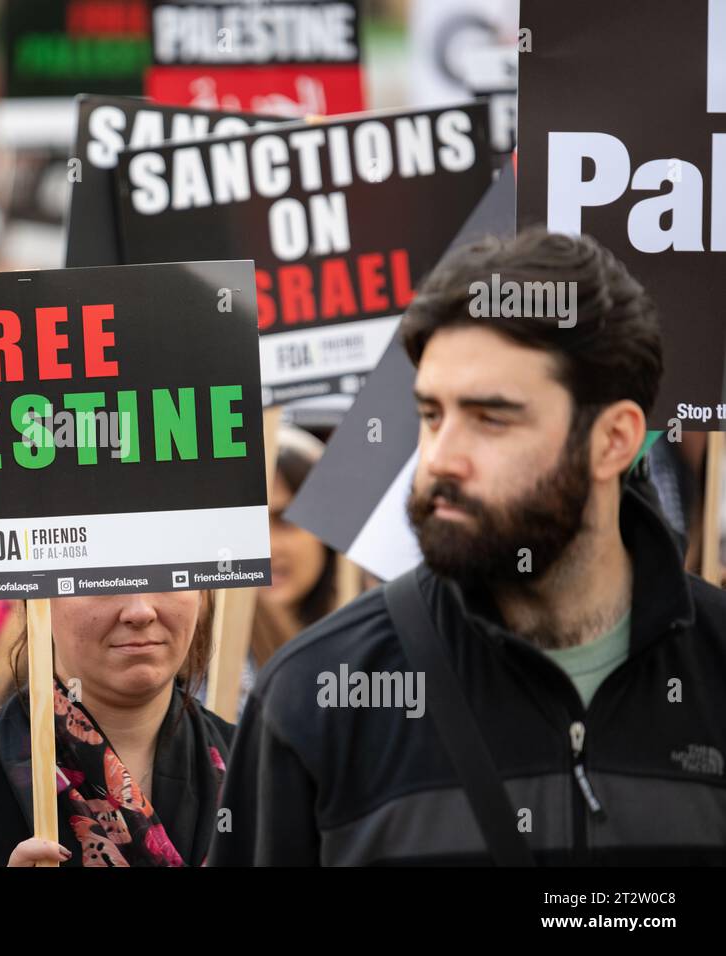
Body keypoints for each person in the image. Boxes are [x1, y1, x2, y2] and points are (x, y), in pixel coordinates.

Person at [211, 228, 726, 865]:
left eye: (492, 418)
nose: (441, 458)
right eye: (431, 415)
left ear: (614, 439)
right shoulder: (315, 695)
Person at [0, 590, 231, 866]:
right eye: (102, 578)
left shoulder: (256, 767)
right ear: (37, 600)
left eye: (166, 573)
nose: (140, 611)